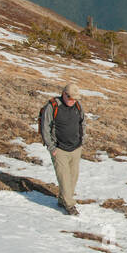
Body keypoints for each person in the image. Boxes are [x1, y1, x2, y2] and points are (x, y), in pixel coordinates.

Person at [39, 82, 85, 216]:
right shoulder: (52, 107)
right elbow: (45, 128)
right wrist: (51, 147)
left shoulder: (77, 105)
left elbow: (82, 122)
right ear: (64, 94)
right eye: (71, 98)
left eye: (75, 98)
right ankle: (70, 205)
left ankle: (62, 199)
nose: (73, 101)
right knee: (64, 178)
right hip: (59, 149)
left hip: (75, 148)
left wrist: (82, 141)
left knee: (72, 178)